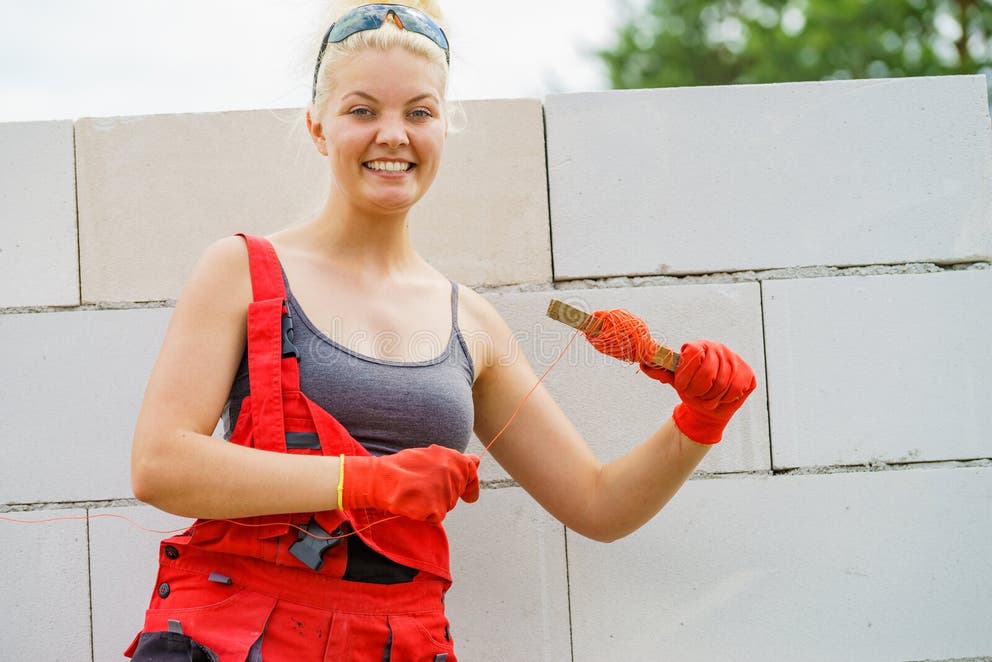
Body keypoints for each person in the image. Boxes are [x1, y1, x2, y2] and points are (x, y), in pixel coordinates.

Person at [127, 2, 756, 660]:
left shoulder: (471, 323)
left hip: (399, 639)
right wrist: (361, 482)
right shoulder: (243, 271)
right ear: (318, 127)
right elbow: (159, 465)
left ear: (445, 129)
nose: (392, 135)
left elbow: (598, 505)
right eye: (362, 110)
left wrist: (699, 420)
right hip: (238, 634)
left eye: (418, 112)